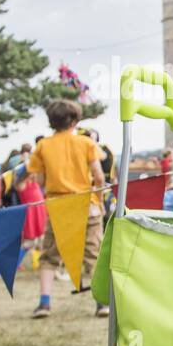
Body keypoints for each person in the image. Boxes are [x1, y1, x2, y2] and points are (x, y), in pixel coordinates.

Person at [25, 100, 107, 319]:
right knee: (93, 254)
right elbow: (99, 177)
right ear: (76, 120)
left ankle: (44, 303)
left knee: (49, 256)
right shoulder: (86, 143)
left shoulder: (43, 146)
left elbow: (41, 179)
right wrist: (98, 201)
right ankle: (102, 304)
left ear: (51, 122)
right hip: (87, 204)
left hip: (57, 205)